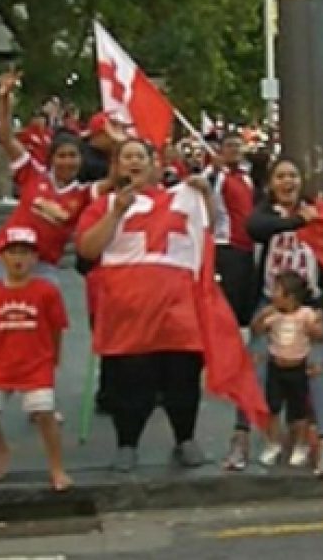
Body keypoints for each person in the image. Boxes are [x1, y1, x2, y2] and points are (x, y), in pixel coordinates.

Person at [0, 71, 90, 423]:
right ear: (52, 158)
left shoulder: (83, 195)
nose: (68, 162)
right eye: (62, 156)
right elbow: (5, 136)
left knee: (45, 331)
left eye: (74, 156)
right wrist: (4, 98)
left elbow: (115, 182)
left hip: (46, 268)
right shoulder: (33, 174)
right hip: (5, 259)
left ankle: (40, 398)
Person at [75, 139, 213, 472]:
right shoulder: (104, 204)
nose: (135, 163)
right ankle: (127, 444)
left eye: (141, 156)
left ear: (155, 163)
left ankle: (185, 437)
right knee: (131, 381)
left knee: (182, 376)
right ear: (117, 165)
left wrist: (205, 195)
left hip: (176, 311)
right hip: (129, 311)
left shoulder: (180, 201)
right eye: (127, 157)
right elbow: (87, 250)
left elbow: (210, 230)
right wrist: (117, 212)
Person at [225, 157, 323, 476]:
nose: (288, 182)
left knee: (318, 368)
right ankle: (241, 439)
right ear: (270, 183)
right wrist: (295, 222)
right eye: (280, 176)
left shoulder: (320, 213)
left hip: (311, 305)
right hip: (271, 304)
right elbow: (255, 229)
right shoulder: (266, 216)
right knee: (254, 367)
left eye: (293, 176)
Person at [0, 226, 72, 490]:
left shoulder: (46, 291)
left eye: (25, 253)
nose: (19, 259)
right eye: (13, 253)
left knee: (44, 414)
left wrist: (53, 358)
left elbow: (56, 328)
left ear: (35, 258)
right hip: (1, 363)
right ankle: (2, 448)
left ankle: (56, 467)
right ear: (2, 257)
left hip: (36, 363)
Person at [250, 272, 323, 472]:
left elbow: (320, 336)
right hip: (276, 369)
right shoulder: (274, 315)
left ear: (291, 297)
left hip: (298, 369)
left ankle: (299, 446)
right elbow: (256, 330)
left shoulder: (305, 314)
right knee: (273, 408)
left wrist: (313, 327)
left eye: (277, 291)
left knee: (298, 412)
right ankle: (273, 444)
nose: (273, 294)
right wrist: (261, 316)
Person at [209, 133, 258, 327]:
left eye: (238, 145)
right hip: (227, 245)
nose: (235, 150)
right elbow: (207, 190)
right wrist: (213, 170)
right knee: (231, 298)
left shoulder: (246, 178)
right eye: (230, 146)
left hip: (248, 245)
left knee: (246, 298)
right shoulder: (217, 176)